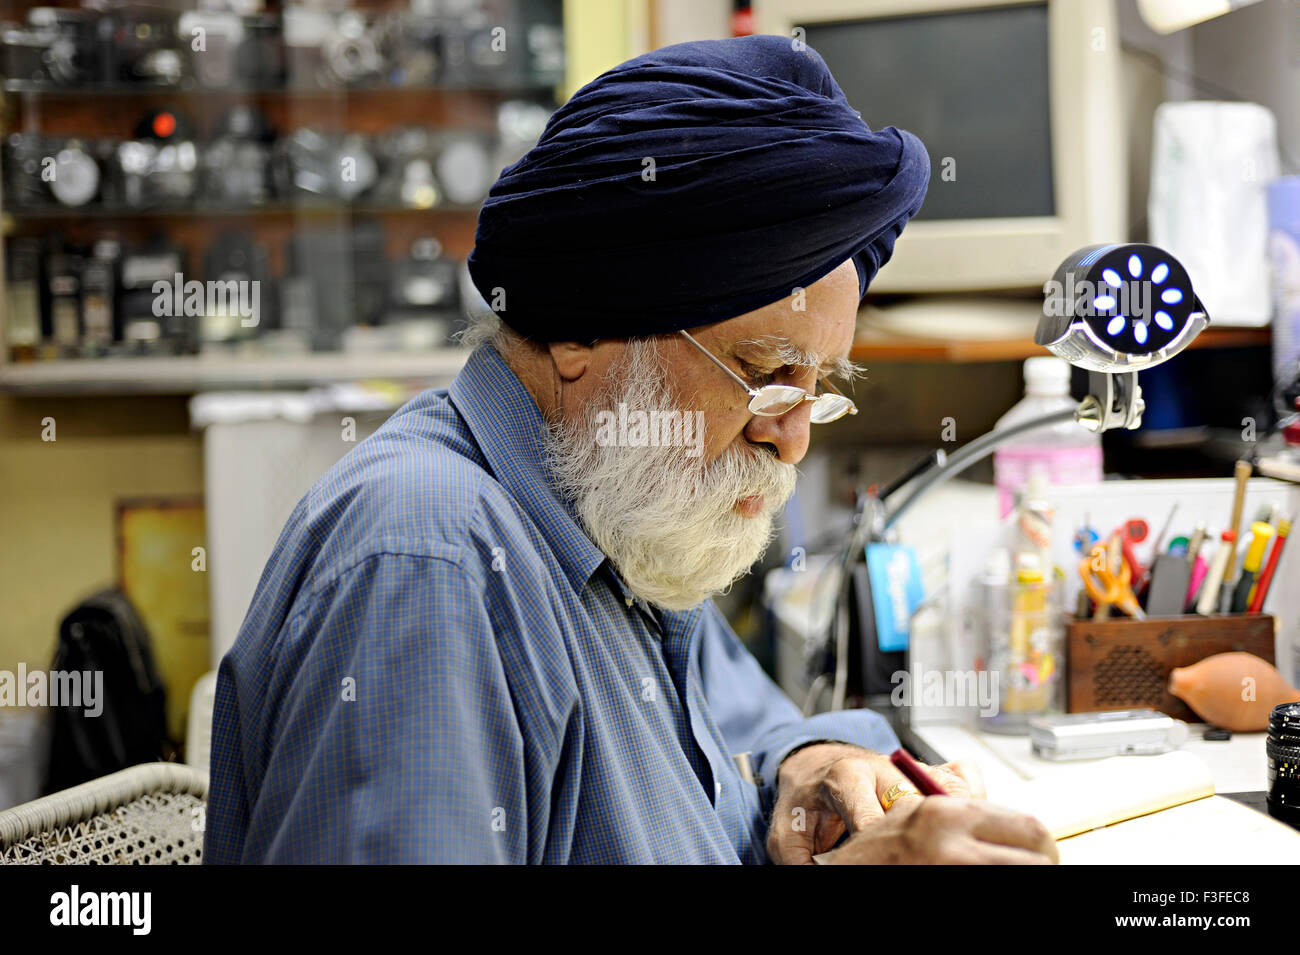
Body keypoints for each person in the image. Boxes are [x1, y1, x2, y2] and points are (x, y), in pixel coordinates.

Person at [204, 34, 1056, 864]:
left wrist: (814, 766)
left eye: (815, 390)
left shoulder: (621, 501)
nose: (791, 437)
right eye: (763, 375)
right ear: (580, 331)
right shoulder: (433, 565)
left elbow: (743, 730)